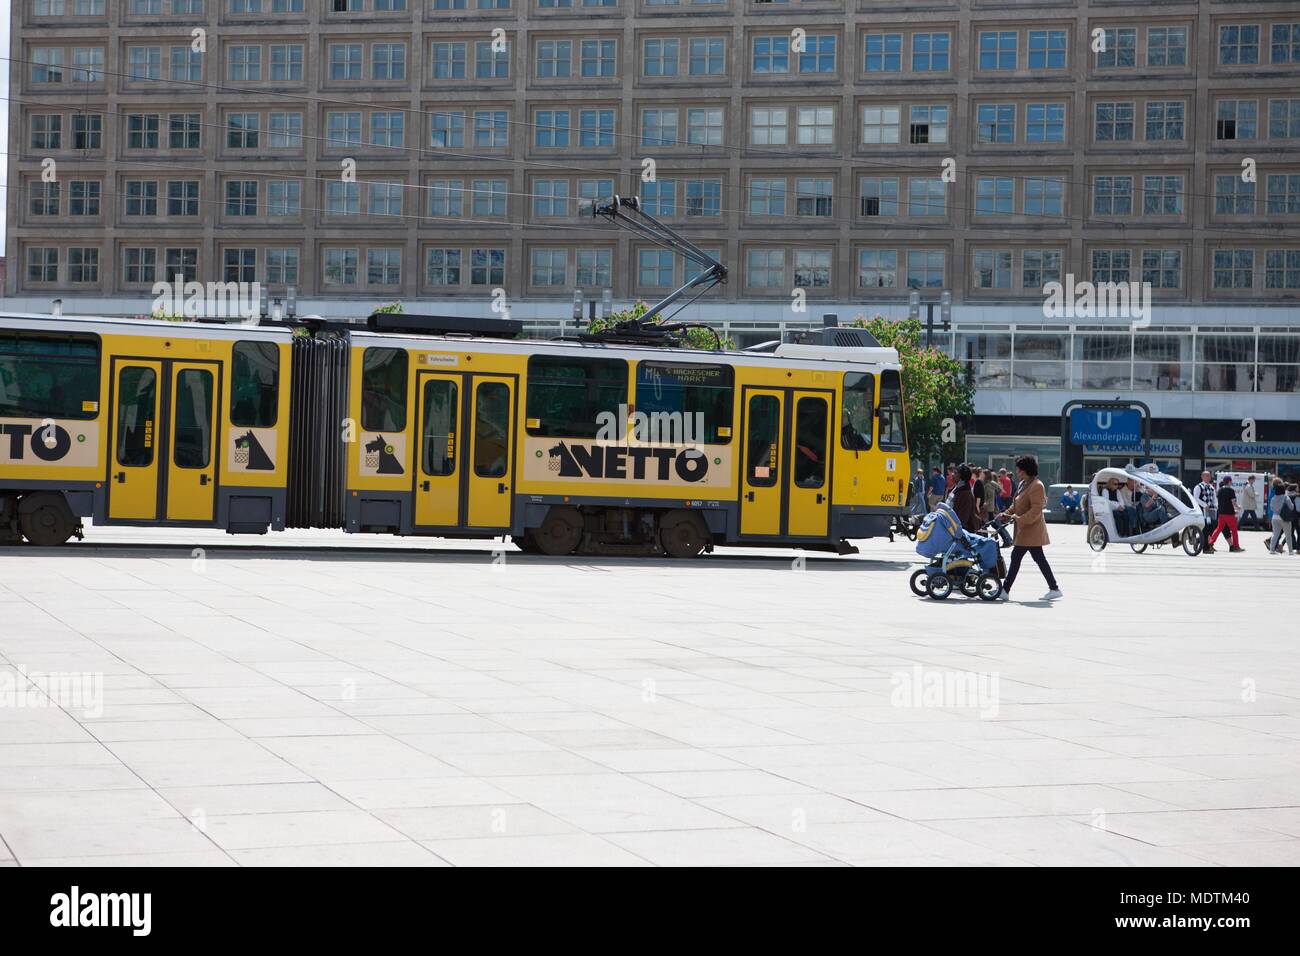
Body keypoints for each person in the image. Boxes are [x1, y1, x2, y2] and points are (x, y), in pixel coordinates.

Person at [997, 454, 1062, 601]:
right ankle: (1054, 588)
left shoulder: (1037, 486)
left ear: (1025, 470)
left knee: (1016, 557)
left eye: (1018, 470)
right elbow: (1016, 504)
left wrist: (1020, 519)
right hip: (1024, 529)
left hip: (1031, 529)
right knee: (1038, 558)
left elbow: (1036, 510)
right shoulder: (1023, 484)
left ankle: (1005, 590)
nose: (1017, 472)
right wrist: (1006, 514)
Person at [1207, 476, 1244, 552]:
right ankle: (1236, 547)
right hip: (1229, 513)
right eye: (1231, 481)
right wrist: (1238, 507)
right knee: (1234, 530)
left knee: (1218, 528)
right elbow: (1233, 502)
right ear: (1229, 481)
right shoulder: (1231, 490)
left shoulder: (1219, 490)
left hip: (1221, 513)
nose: (1232, 482)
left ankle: (1210, 543)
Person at [952, 464, 981, 532]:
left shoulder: (965, 493)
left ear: (962, 476)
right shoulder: (958, 489)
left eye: (955, 473)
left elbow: (963, 517)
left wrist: (956, 530)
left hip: (964, 530)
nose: (952, 474)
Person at [1194, 471, 1218, 554]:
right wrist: (1204, 505)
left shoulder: (1212, 487)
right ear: (1202, 477)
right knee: (1206, 529)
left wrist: (1216, 506)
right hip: (1203, 511)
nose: (1208, 477)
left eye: (1209, 476)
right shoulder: (1198, 487)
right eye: (1206, 476)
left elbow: (1214, 498)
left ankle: (1199, 540)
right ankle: (1206, 548)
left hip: (1212, 511)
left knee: (1212, 528)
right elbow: (1196, 498)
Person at [1268, 478, 1293, 554]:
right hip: (1284, 518)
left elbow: (1271, 507)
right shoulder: (1286, 497)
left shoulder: (1273, 498)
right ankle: (1290, 551)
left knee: (1275, 534)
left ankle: (1272, 550)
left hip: (1275, 517)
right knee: (1288, 535)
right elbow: (1291, 507)